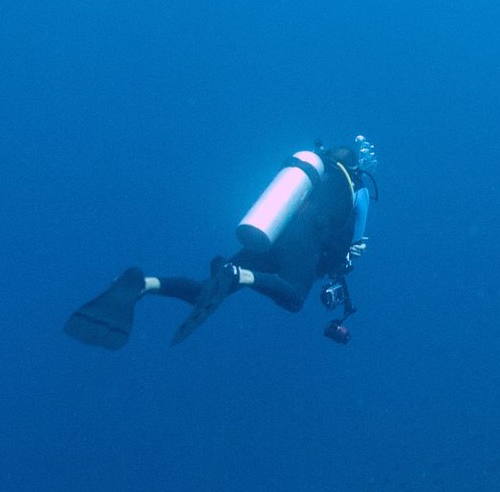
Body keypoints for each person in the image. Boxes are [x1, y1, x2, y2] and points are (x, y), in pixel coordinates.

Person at [65, 136, 378, 349]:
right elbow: (351, 244)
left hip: (271, 231)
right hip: (305, 240)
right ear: (357, 169)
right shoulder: (358, 189)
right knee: (294, 296)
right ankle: (238, 274)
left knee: (208, 289)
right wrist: (342, 262)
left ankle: (142, 283)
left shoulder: (312, 175)